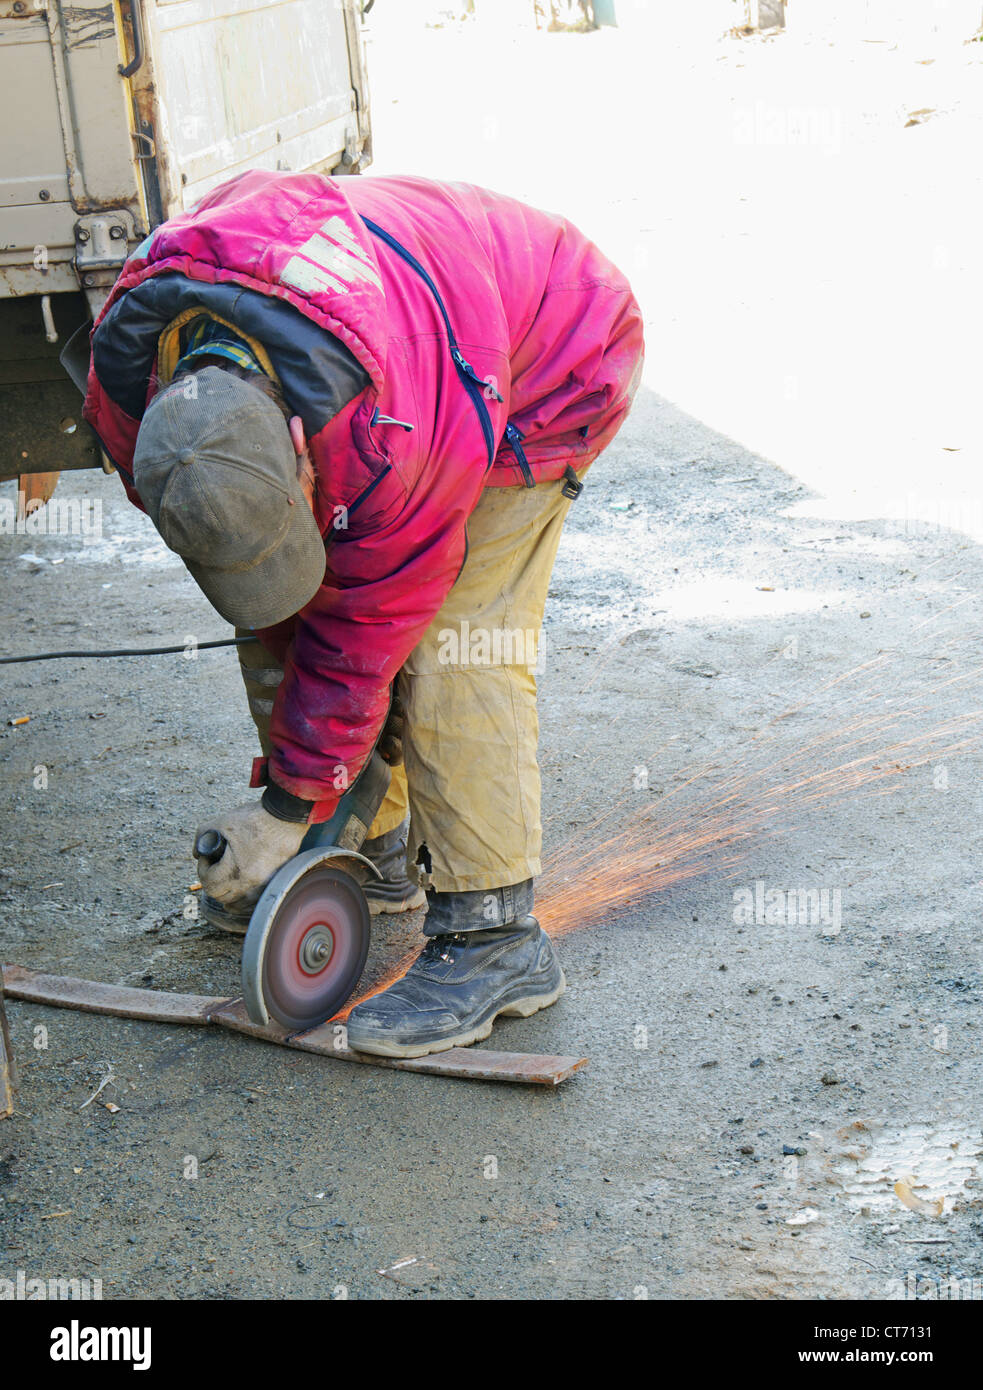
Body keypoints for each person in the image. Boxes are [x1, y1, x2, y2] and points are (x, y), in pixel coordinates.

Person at [83, 169, 644, 1058]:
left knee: (454, 645)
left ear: (304, 445)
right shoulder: (133, 402)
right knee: (278, 606)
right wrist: (302, 813)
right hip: (411, 330)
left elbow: (365, 633)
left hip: (545, 357)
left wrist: (287, 806)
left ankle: (495, 939)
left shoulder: (388, 429)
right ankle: (368, 858)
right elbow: (273, 598)